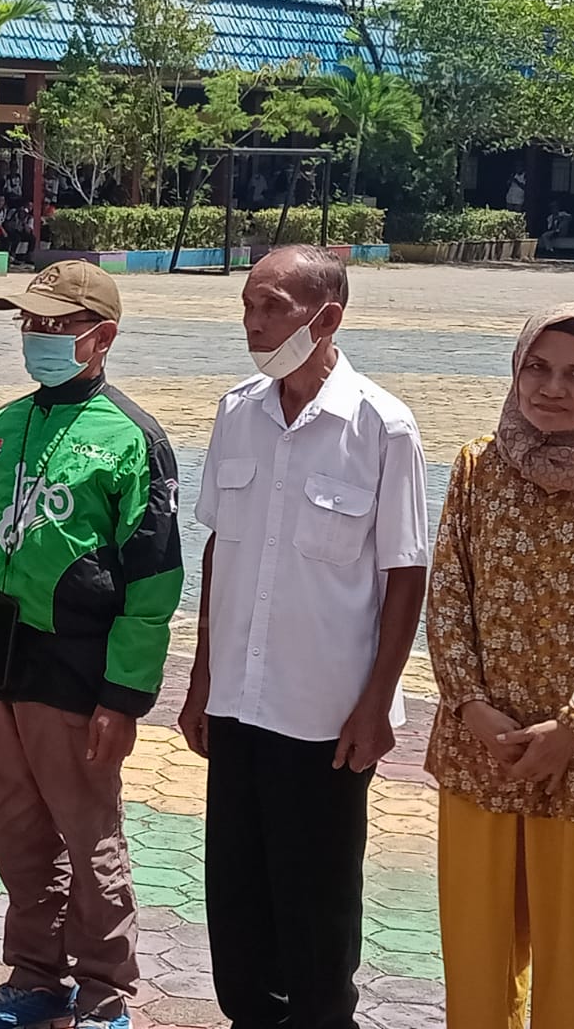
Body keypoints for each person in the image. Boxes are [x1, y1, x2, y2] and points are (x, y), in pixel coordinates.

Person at [179, 244, 429, 1029]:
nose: (253, 324)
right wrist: (200, 680)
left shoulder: (383, 428)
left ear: (328, 319)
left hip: (325, 716)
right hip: (238, 705)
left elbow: (404, 573)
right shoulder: (236, 411)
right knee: (239, 900)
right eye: (249, 305)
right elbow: (221, 546)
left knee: (316, 911)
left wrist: (377, 704)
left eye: (272, 308)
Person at [0, 262, 182, 1029]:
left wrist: (125, 698)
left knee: (89, 834)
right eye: (29, 325)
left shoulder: (132, 439)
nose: (38, 339)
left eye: (55, 326)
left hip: (76, 673)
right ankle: (34, 976)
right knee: (17, 833)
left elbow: (152, 584)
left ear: (100, 337)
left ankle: (107, 991)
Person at [426, 303, 574, 1029]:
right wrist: (473, 709)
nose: (553, 388)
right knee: (478, 960)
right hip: (481, 751)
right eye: (537, 368)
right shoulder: (478, 466)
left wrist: (573, 728)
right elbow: (449, 593)